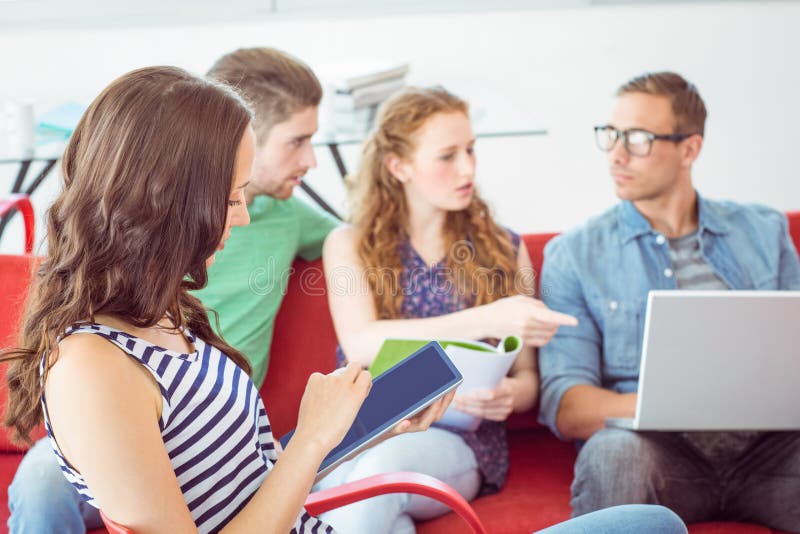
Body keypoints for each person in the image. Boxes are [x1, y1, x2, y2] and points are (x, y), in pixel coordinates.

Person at [1, 66, 449, 534]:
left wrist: (362, 424)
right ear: (166, 199)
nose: (243, 218)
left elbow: (247, 485)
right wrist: (311, 438)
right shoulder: (92, 368)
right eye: (232, 198)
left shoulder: (164, 313)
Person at [319, 86, 685, 534]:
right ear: (399, 167)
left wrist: (512, 396)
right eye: (448, 156)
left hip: (455, 442)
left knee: (380, 474)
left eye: (471, 150)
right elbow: (361, 342)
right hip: (366, 432)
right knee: (373, 501)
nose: (468, 168)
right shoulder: (348, 243)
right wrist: (488, 318)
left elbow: (529, 379)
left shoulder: (503, 247)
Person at [538, 71, 800, 529]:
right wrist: (675, 402)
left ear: (690, 148)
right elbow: (567, 405)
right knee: (614, 453)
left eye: (638, 138)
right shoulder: (573, 254)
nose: (617, 154)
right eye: (611, 135)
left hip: (769, 456)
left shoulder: (765, 231)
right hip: (658, 455)